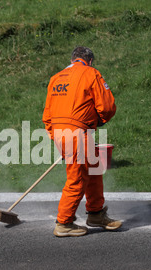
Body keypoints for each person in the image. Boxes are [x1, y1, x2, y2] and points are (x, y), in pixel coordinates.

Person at [42, 46, 123, 237]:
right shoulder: (91, 73)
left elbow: (47, 114)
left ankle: (96, 213)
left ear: (72, 60)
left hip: (60, 131)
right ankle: (63, 223)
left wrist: (56, 136)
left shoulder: (56, 77)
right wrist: (99, 121)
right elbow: (108, 106)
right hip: (77, 132)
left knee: (94, 170)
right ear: (90, 61)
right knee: (77, 178)